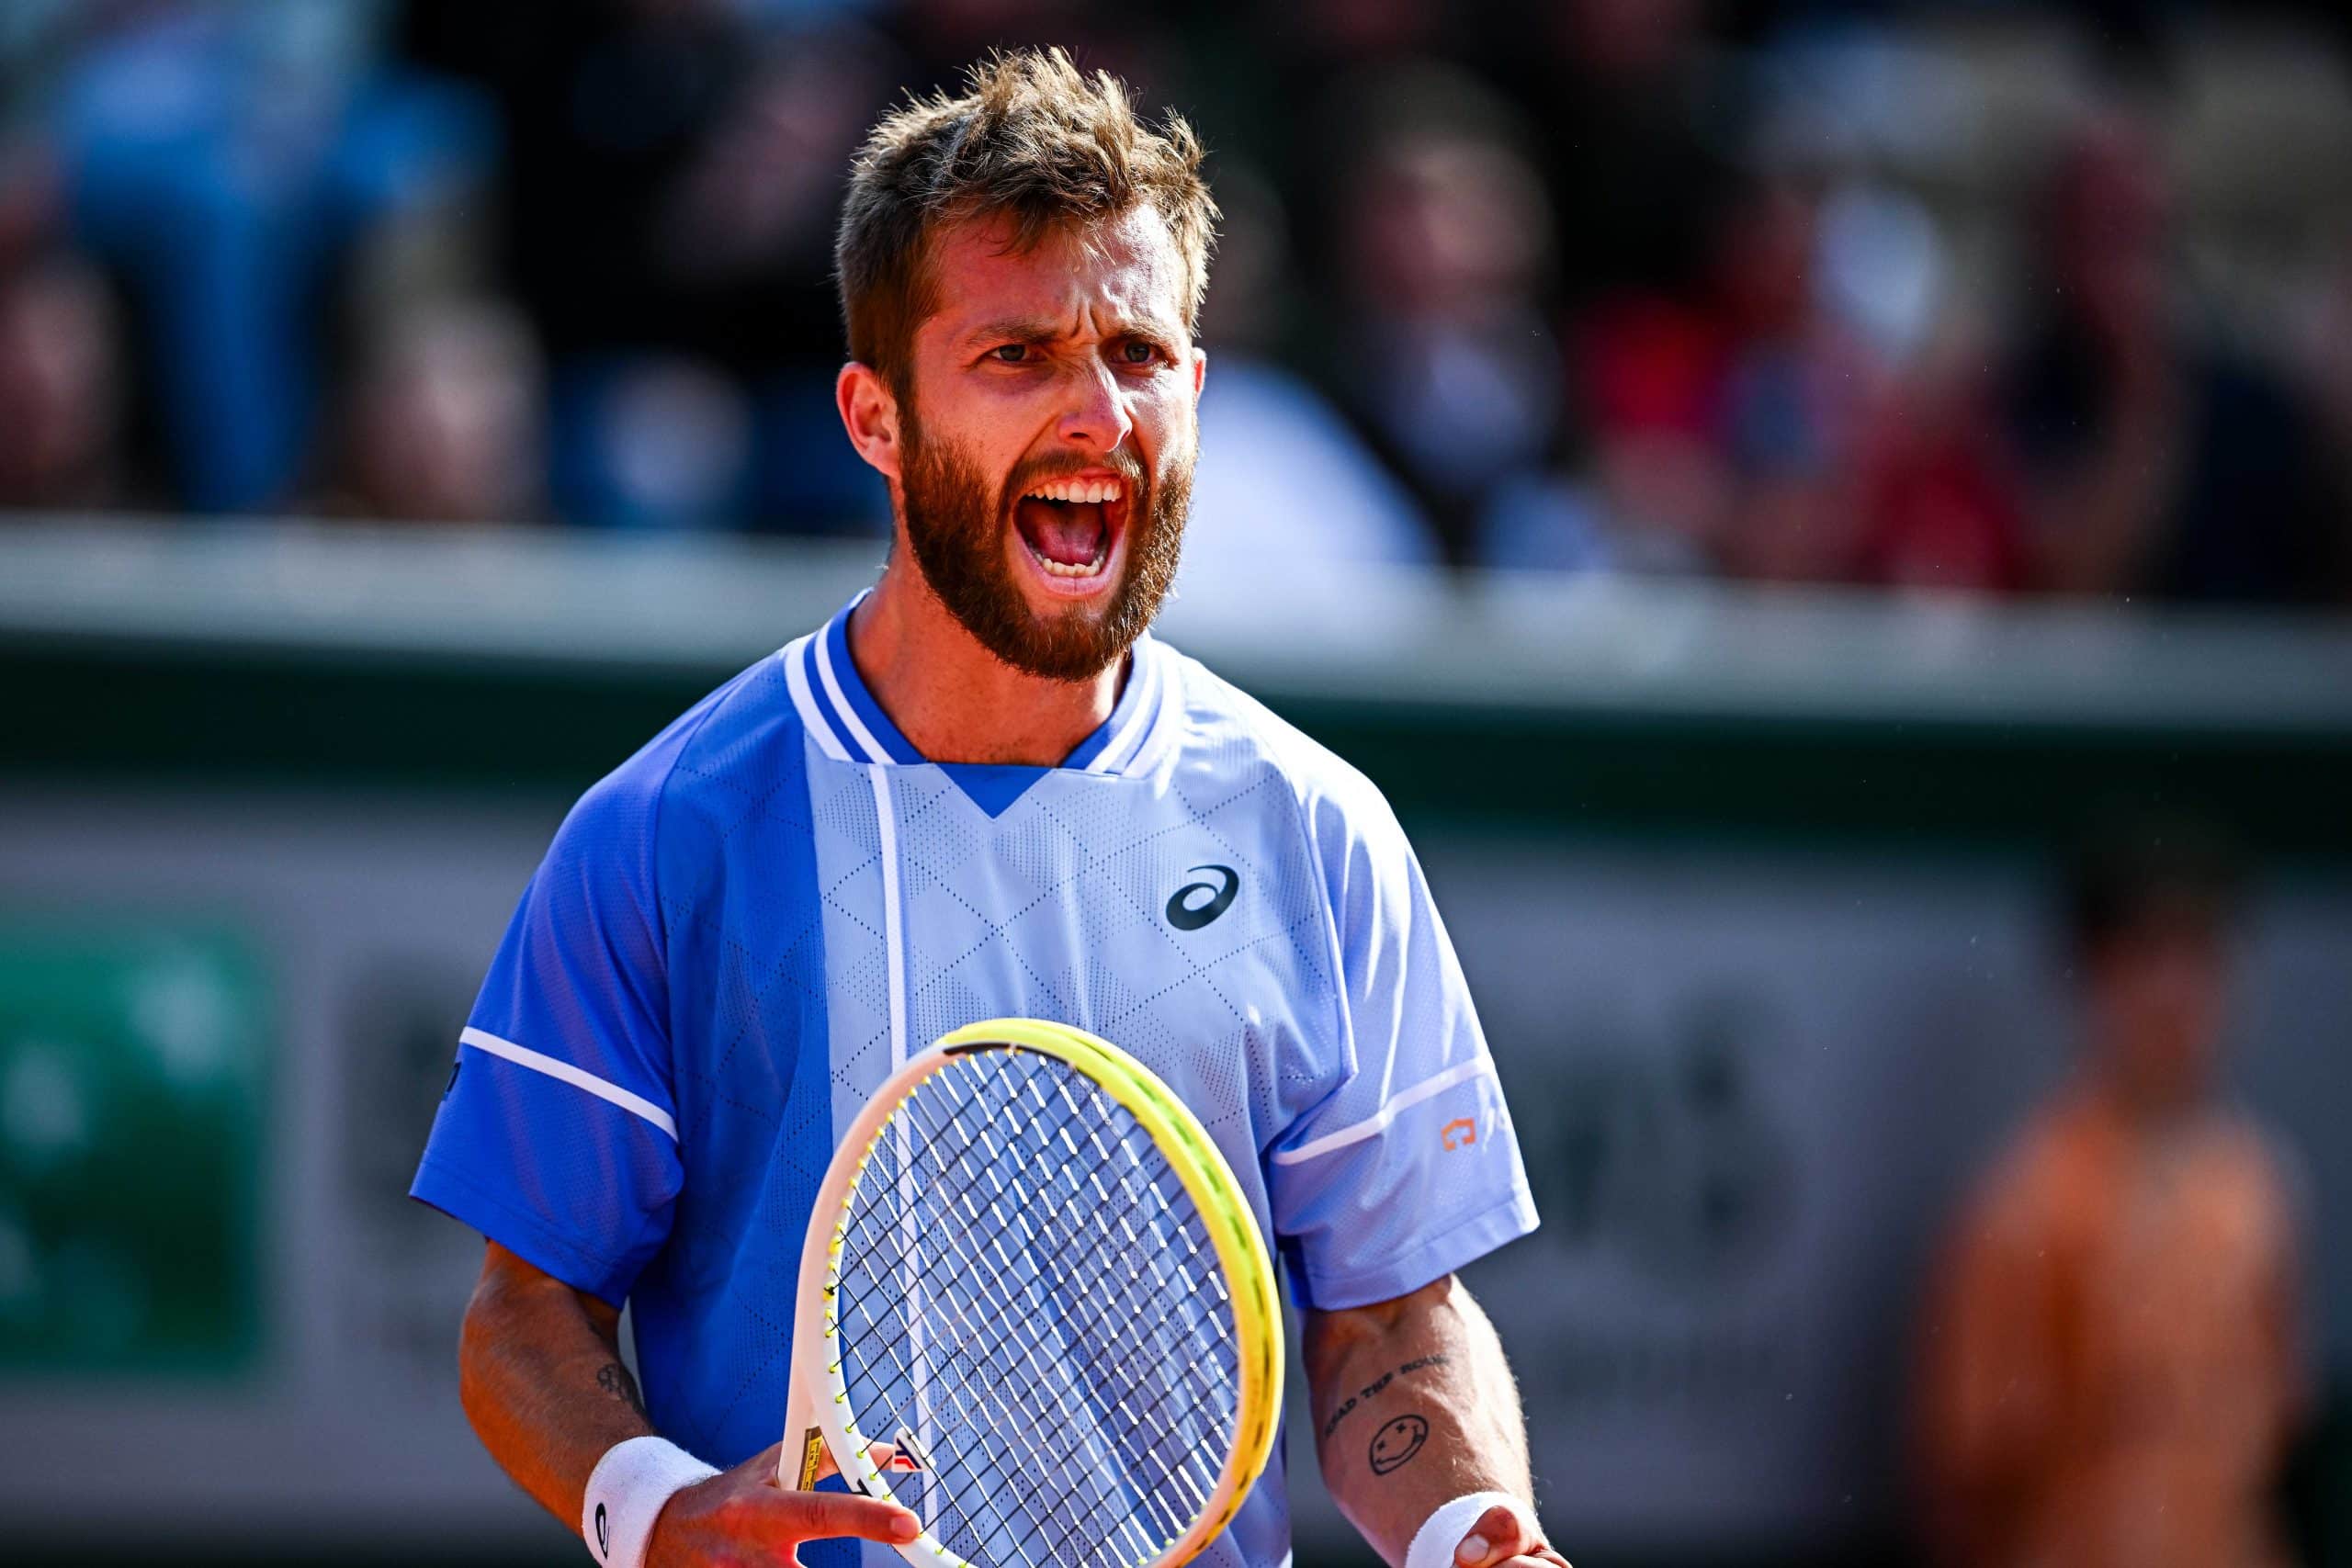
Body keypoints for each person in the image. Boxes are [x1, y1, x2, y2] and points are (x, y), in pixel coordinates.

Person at [410, 48, 1562, 1568]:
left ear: (1196, 390)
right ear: (876, 419)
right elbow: (524, 1313)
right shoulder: (668, 829)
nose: (1097, 414)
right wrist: (657, 1506)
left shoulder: (1317, 829)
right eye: (1018, 357)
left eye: (1138, 355)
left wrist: (1477, 1528)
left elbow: (1395, 1320)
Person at [1915, 819, 2310, 1568]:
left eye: (2200, 956)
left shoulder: (2259, 1185)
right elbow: (1970, 1475)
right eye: (2144, 956)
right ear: (2089, 976)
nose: (2173, 992)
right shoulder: (2023, 1199)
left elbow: (2276, 1444)